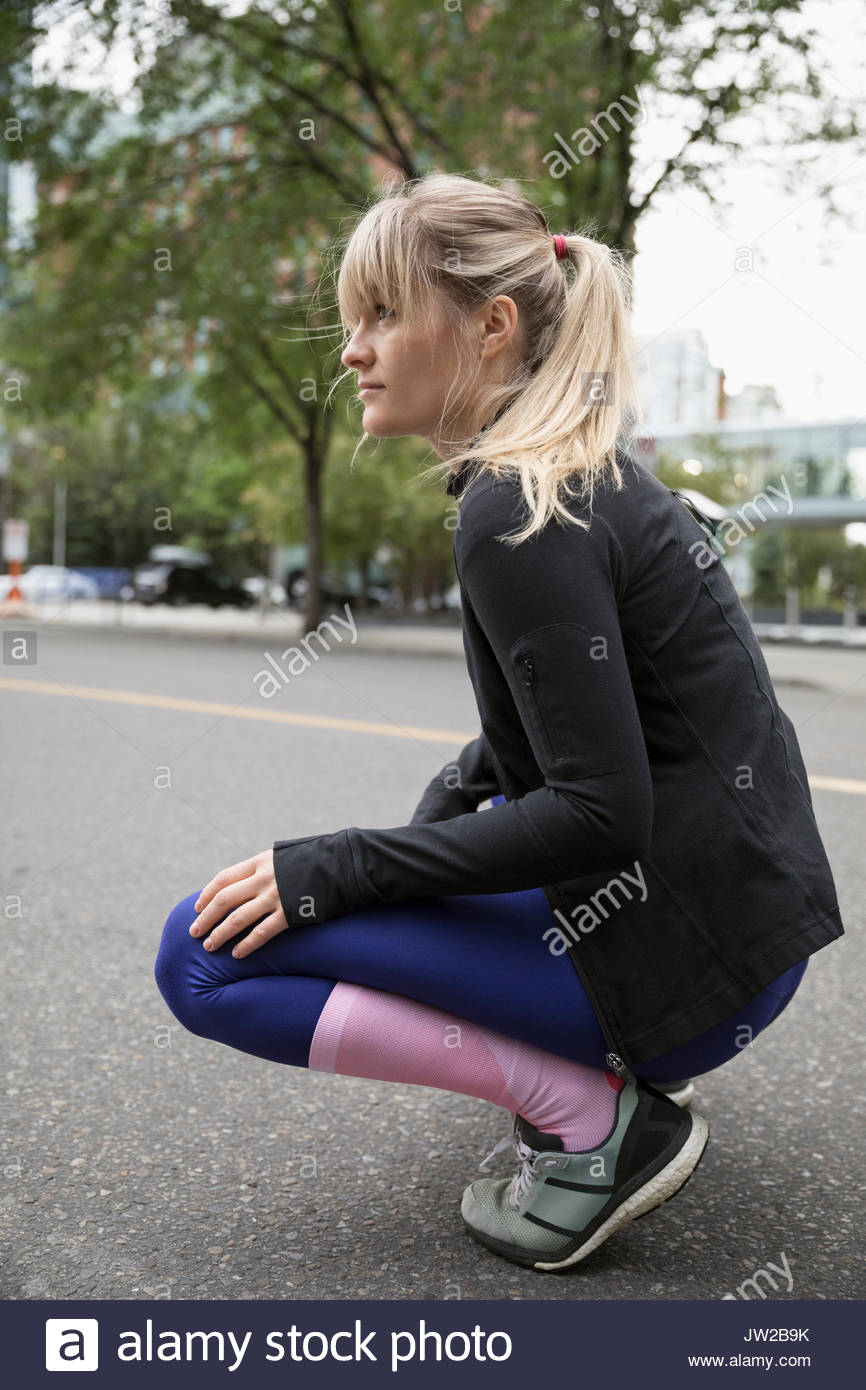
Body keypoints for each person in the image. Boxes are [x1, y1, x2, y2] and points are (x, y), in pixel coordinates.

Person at [154, 172, 844, 1273]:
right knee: (339, 898)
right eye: (350, 323)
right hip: (732, 939)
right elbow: (599, 719)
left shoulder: (513, 507)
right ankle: (595, 1074)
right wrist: (436, 821)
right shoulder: (578, 474)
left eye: (381, 315)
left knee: (201, 958)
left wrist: (333, 868)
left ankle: (596, 1120)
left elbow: (598, 810)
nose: (351, 350)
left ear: (490, 325)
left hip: (687, 968)